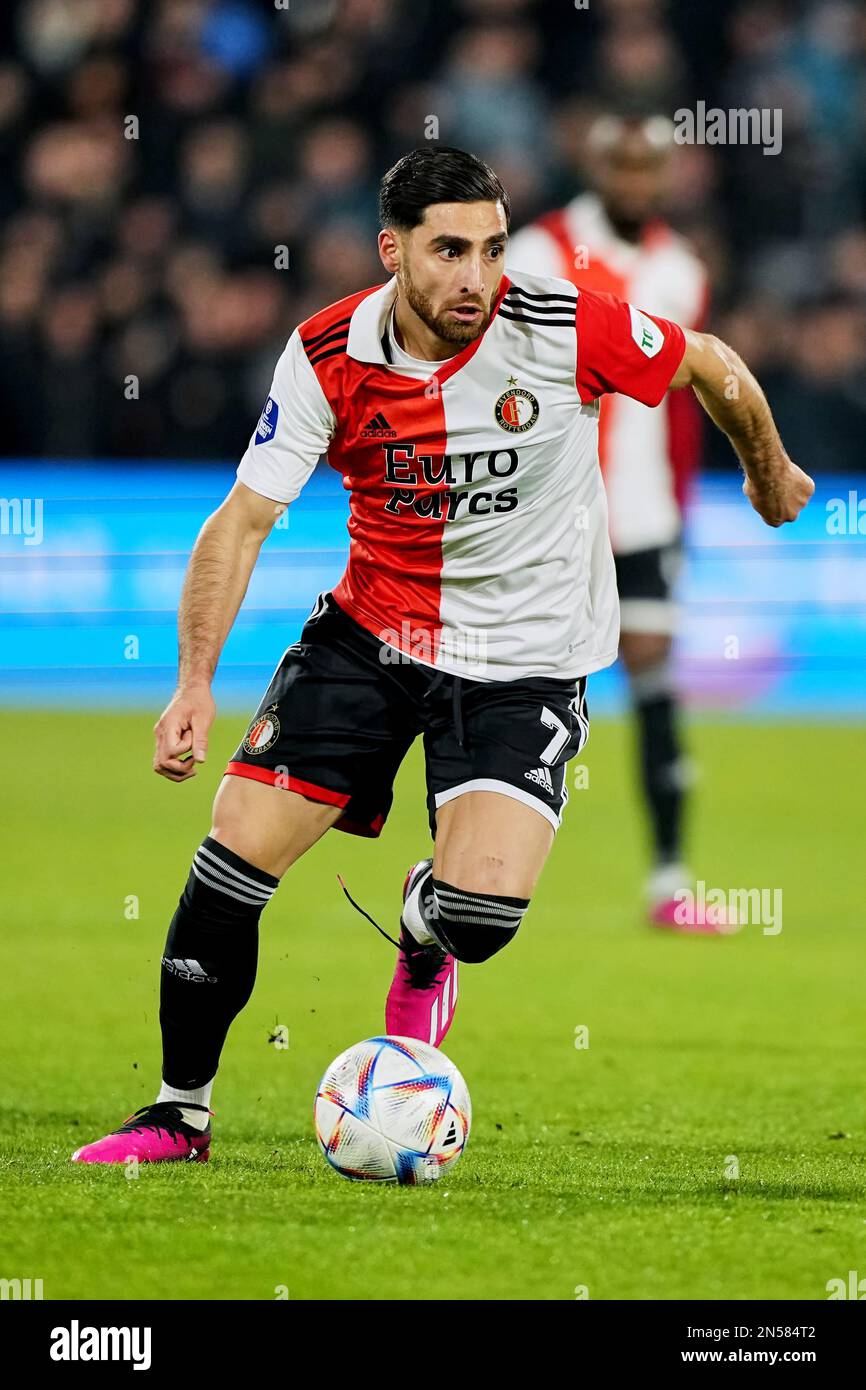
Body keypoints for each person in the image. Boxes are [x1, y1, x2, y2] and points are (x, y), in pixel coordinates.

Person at [72, 146, 812, 1164]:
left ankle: (427, 926)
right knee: (232, 849)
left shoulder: (559, 323)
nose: (476, 276)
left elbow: (704, 360)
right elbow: (241, 521)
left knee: (477, 917)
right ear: (393, 251)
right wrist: (192, 682)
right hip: (373, 633)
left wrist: (765, 468)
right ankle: (175, 1112)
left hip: (525, 656)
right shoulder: (327, 350)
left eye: (493, 249)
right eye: (450, 250)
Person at [508, 113, 711, 927]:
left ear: (664, 173)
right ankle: (472, 864)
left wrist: (684, 512)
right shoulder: (534, 255)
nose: (635, 183)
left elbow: (686, 405)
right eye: (621, 168)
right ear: (596, 166)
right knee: (515, 679)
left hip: (643, 508)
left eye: (648, 169)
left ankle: (669, 879)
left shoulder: (679, 268)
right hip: (548, 513)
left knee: (656, 671)